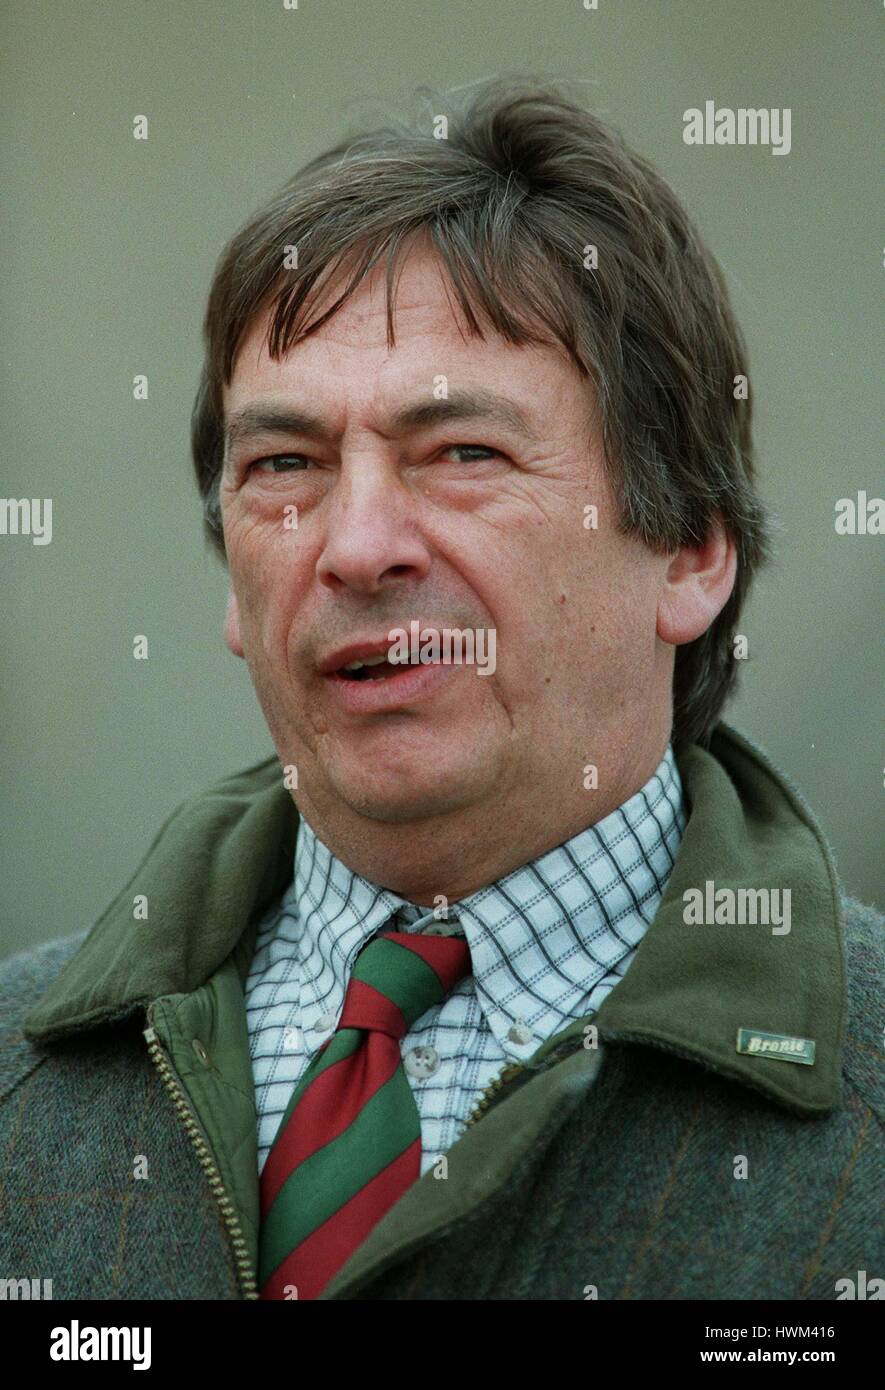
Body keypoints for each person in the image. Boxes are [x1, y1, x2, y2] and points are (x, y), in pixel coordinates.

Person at [2, 78, 881, 1302]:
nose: (357, 545)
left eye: (464, 453)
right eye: (285, 465)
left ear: (690, 551)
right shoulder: (21, 1086)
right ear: (231, 590)